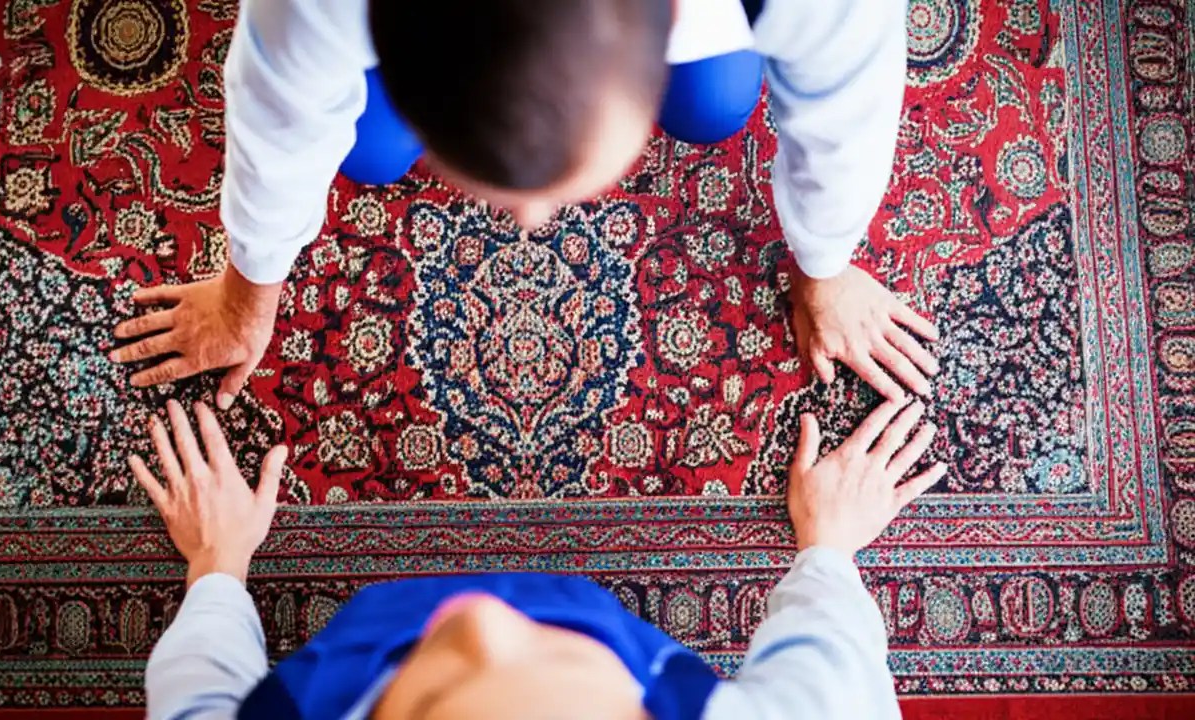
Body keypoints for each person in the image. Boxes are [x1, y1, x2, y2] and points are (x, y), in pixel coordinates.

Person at [109, 0, 941, 410]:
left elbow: (847, 116)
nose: (534, 224)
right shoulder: (310, 8)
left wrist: (826, 267)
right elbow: (277, 131)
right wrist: (247, 290)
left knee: (718, 103)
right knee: (366, 151)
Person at [133, 397, 944, 719]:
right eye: (551, 661)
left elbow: (194, 684)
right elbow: (829, 655)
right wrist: (829, 549)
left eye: (429, 702)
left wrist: (216, 566)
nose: (485, 622)